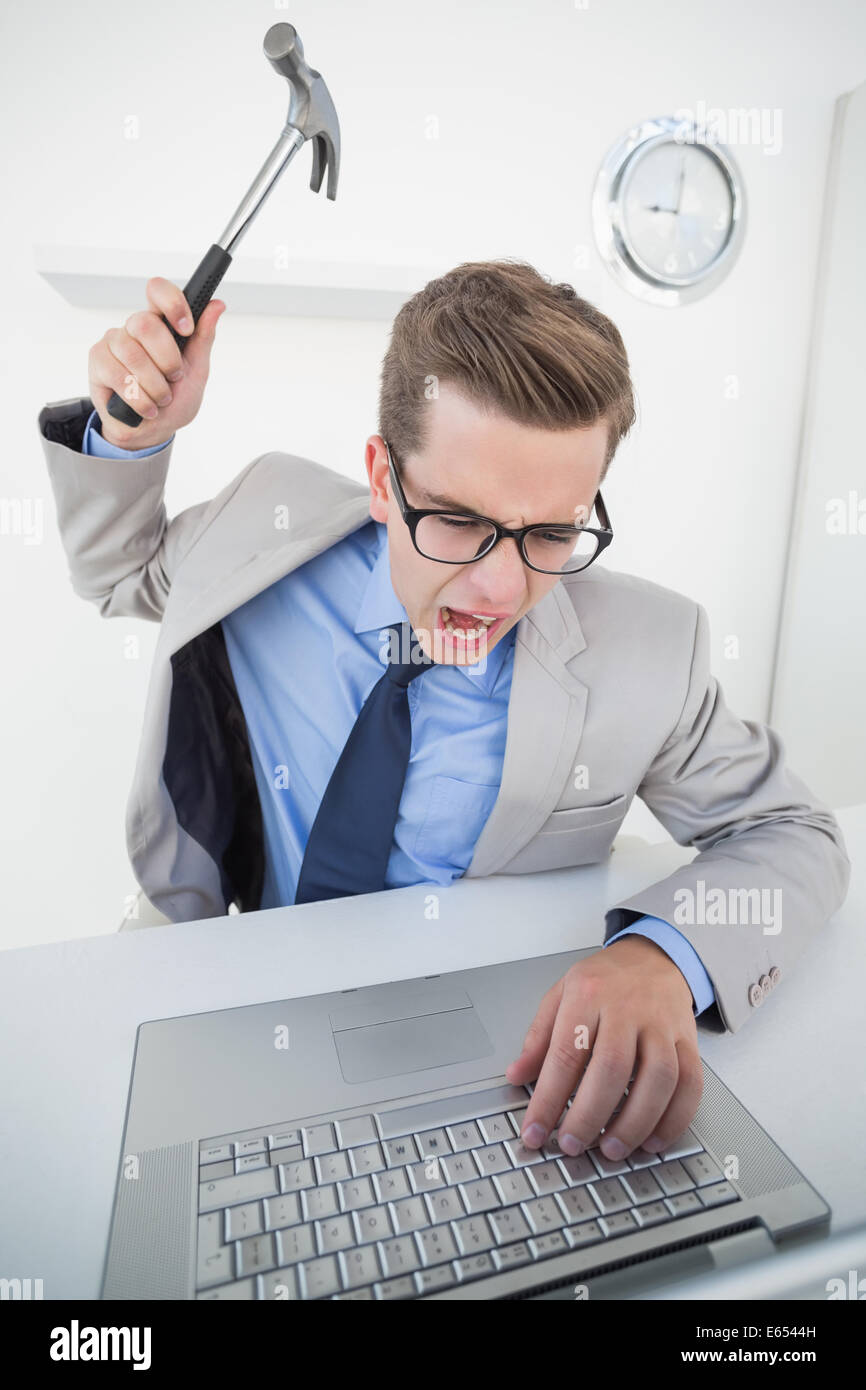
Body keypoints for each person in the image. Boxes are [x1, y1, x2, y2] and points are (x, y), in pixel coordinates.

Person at [38, 259, 850, 1164]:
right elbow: (118, 576)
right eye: (458, 521)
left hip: (496, 1067)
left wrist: (666, 957)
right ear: (382, 478)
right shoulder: (261, 530)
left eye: (550, 533)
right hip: (243, 995)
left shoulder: (652, 650)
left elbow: (794, 832)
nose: (502, 587)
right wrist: (131, 436)